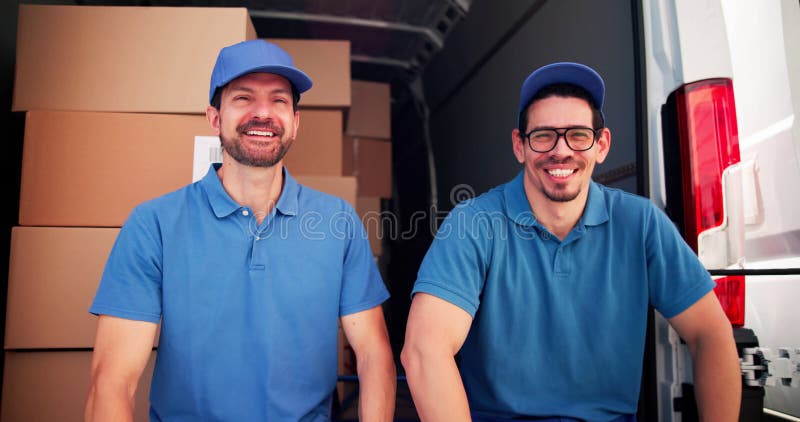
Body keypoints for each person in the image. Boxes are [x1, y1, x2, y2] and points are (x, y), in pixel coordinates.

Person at [401, 62, 741, 421]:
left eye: (578, 135)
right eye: (543, 135)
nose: (560, 151)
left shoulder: (641, 224)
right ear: (520, 146)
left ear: (602, 145)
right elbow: (425, 350)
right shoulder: (473, 224)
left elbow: (710, 335)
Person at [85, 39, 395, 421]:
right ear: (215, 118)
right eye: (244, 98)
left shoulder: (339, 223)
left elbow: (373, 355)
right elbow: (113, 381)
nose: (262, 113)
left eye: (279, 100)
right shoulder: (154, 225)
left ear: (295, 123)